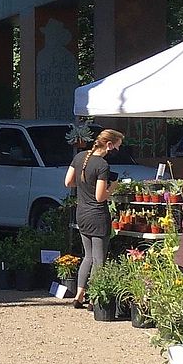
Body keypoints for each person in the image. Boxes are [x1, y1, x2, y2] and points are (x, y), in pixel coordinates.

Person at [64, 129, 124, 309]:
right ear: (109, 145)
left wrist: (85, 184)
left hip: (82, 213)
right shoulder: (102, 165)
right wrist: (113, 186)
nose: (118, 151)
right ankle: (94, 299)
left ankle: (79, 295)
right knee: (99, 259)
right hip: (98, 215)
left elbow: (68, 182)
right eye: (117, 147)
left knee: (87, 256)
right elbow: (100, 196)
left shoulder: (80, 157)